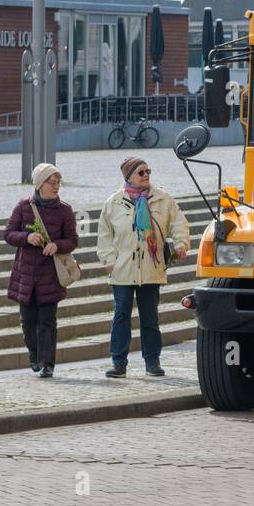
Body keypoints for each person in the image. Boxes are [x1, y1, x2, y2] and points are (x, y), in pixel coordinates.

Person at [97, 157, 191, 378]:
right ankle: (118, 363)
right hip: (122, 270)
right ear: (128, 176)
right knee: (121, 316)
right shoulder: (113, 202)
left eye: (148, 170)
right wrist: (109, 261)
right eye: (141, 172)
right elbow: (104, 235)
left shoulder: (163, 200)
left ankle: (152, 362)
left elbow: (179, 224)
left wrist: (181, 244)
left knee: (150, 317)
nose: (146, 175)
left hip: (151, 268)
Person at [3, 163, 78, 379]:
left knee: (47, 321)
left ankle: (47, 363)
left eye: (58, 182)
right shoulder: (23, 207)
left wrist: (57, 245)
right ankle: (34, 355)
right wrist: (26, 237)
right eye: (50, 182)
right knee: (27, 321)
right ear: (39, 184)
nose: (55, 186)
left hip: (50, 275)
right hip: (26, 275)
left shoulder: (64, 209)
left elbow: (72, 240)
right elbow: (8, 234)